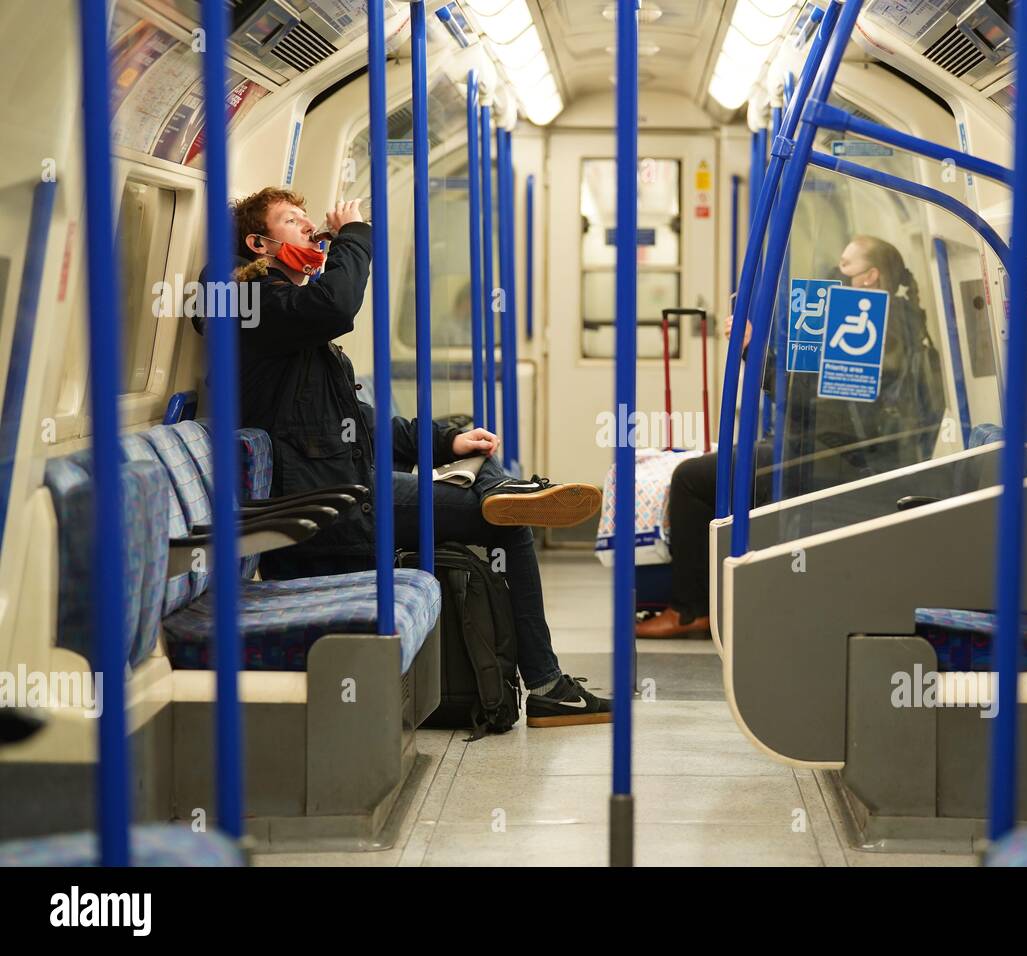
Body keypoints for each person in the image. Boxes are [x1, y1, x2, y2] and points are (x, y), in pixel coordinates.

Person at [213, 186, 611, 727]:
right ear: (259, 244)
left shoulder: (294, 318)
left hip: (346, 481)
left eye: (310, 220)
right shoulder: (254, 305)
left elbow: (359, 421)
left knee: (477, 465)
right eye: (292, 221)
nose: (309, 228)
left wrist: (445, 442)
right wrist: (355, 235)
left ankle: (502, 490)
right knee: (509, 525)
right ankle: (545, 682)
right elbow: (337, 303)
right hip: (328, 502)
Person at [636, 235, 943, 638]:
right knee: (718, 468)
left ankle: (690, 609)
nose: (836, 273)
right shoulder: (897, 325)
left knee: (691, 479)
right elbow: (820, 398)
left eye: (845, 267)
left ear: (870, 277)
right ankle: (711, 596)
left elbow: (816, 405)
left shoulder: (866, 328)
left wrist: (753, 351)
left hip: (841, 461)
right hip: (842, 452)